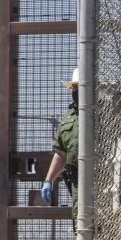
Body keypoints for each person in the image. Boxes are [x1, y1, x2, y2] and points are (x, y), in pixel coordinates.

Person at [41, 69, 79, 223]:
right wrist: (48, 180)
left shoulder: (103, 111)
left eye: (79, 87)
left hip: (100, 179)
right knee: (80, 222)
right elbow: (61, 153)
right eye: (74, 88)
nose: (75, 91)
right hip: (77, 181)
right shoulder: (69, 114)